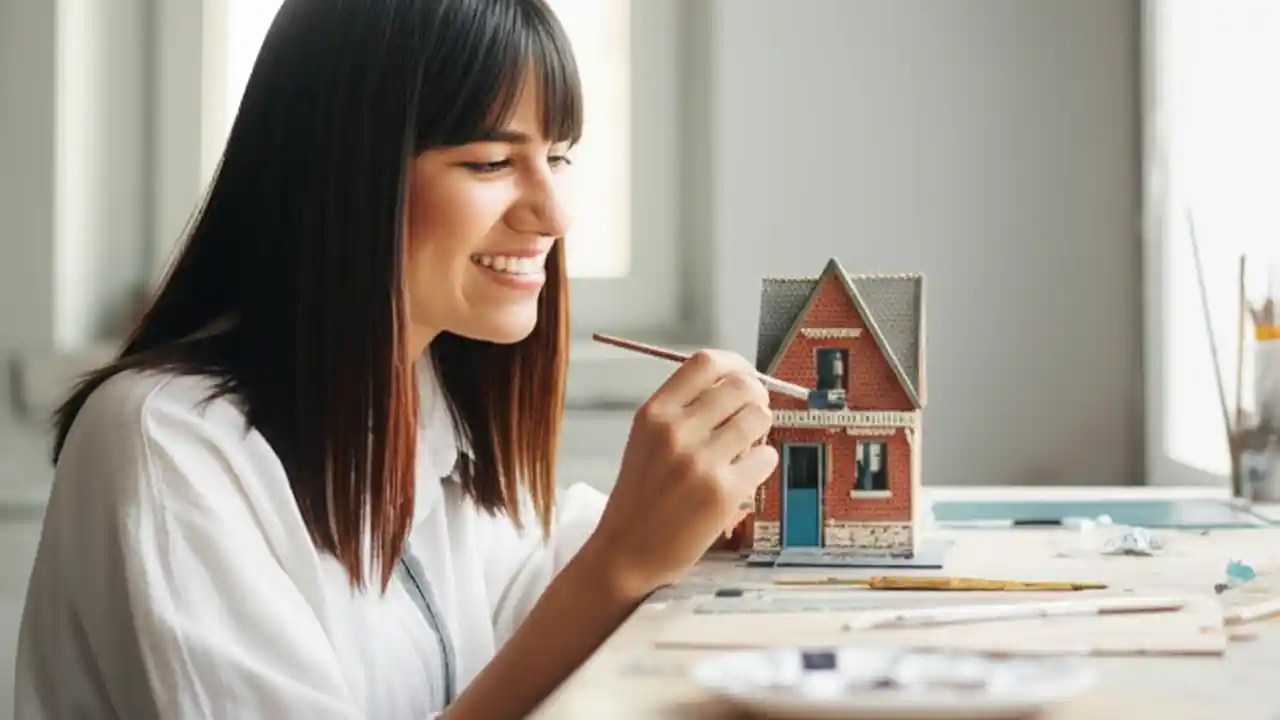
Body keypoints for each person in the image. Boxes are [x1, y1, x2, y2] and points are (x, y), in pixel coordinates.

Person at [13, 1, 778, 718]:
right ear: (346, 176)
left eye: (558, 156)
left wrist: (683, 524)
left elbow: (538, 590)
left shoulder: (435, 412)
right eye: (489, 163)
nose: (554, 213)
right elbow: (583, 590)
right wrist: (622, 563)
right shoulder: (166, 441)